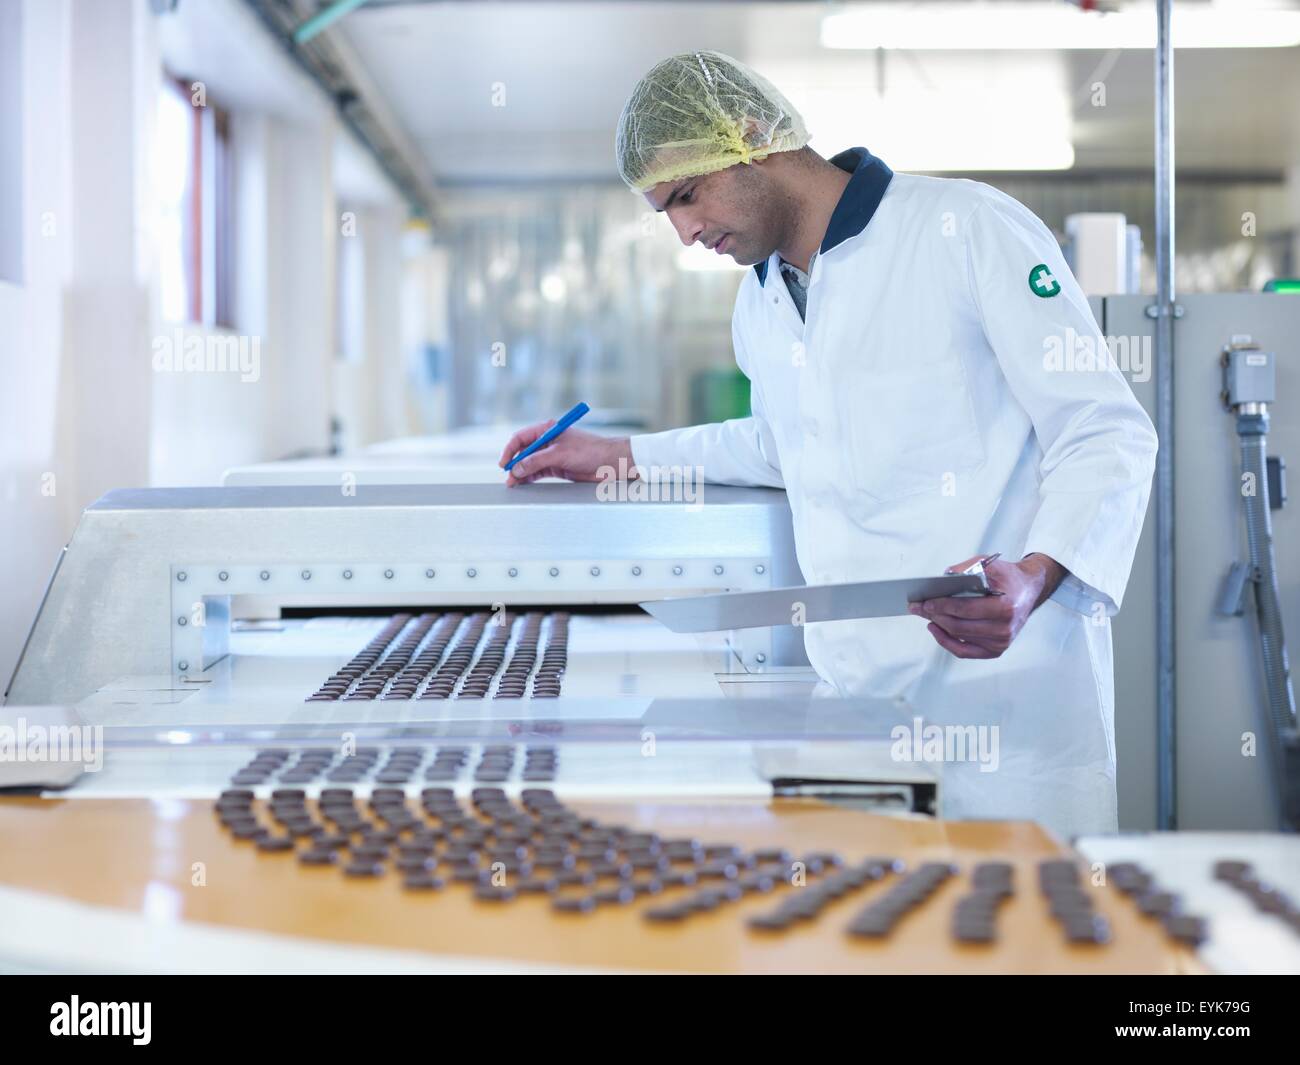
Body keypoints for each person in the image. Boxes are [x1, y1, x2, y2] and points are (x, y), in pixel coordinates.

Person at [498, 51, 1158, 836]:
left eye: (687, 194)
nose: (684, 232)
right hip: (858, 721)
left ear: (750, 137)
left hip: (1008, 710)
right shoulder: (762, 301)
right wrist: (617, 458)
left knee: (1028, 944)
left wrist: (1036, 576)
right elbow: (785, 445)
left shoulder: (965, 229)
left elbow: (1103, 427)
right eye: (664, 211)